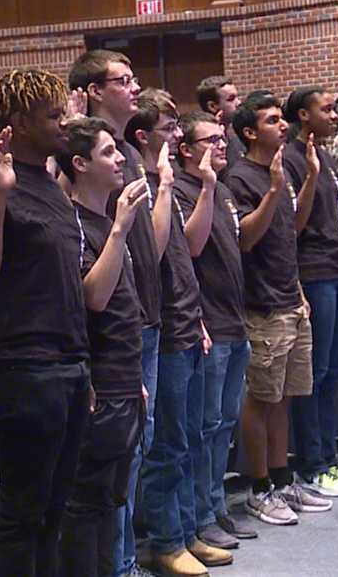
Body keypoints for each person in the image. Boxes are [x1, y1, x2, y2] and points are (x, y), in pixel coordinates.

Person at [0, 69, 90, 577]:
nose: (65, 122)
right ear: (19, 123)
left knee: (56, 508)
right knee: (23, 512)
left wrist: (83, 367)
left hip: (67, 364)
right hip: (21, 369)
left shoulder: (52, 184)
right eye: (53, 115)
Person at [67, 50, 181, 577]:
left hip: (142, 324)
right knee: (111, 466)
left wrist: (165, 186)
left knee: (139, 450)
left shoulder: (131, 160)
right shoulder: (77, 169)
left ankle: (127, 557)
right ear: (92, 90)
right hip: (106, 343)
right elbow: (90, 288)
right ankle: (119, 564)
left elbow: (149, 251)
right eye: (123, 80)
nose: (135, 87)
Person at [126, 94, 230, 577]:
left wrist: (199, 321)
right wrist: (165, 186)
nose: (175, 135)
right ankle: (165, 540)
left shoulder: (165, 183)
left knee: (188, 438)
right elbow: (157, 249)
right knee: (167, 444)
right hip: (162, 330)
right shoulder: (145, 187)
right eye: (168, 127)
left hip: (189, 322)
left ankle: (187, 532)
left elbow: (187, 257)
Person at [224, 93, 330, 527]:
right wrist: (271, 190)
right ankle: (259, 486)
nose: (282, 125)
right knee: (261, 398)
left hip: (291, 297)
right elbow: (247, 237)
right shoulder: (241, 177)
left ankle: (283, 478)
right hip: (262, 304)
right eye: (271, 121)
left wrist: (307, 181)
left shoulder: (282, 170)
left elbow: (293, 227)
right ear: (250, 132)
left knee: (285, 396)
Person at [55, 118, 149, 577]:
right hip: (99, 388)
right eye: (109, 152)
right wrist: (119, 230)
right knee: (85, 504)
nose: (120, 160)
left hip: (124, 382)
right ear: (80, 163)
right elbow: (93, 298)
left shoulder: (106, 219)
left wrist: (133, 383)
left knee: (112, 500)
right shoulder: (73, 224)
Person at [172, 111, 258, 551]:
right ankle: (200, 517)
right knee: (203, 430)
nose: (222, 146)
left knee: (224, 425)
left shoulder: (223, 189)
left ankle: (217, 504)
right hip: (207, 326)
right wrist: (205, 186)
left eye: (224, 139)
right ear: (186, 149)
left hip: (235, 320)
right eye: (211, 140)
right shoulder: (186, 190)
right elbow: (190, 247)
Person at [280, 87, 338, 497]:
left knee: (332, 371)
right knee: (313, 375)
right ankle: (312, 464)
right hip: (311, 273)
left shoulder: (328, 158)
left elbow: (335, 221)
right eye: (326, 109)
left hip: (335, 270)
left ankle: (329, 460)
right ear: (303, 115)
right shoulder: (293, 160)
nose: (335, 115)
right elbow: (295, 228)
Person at [196, 76, 246, 174]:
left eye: (237, 97)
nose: (239, 103)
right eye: (231, 99)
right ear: (212, 106)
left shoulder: (235, 139)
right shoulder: (203, 146)